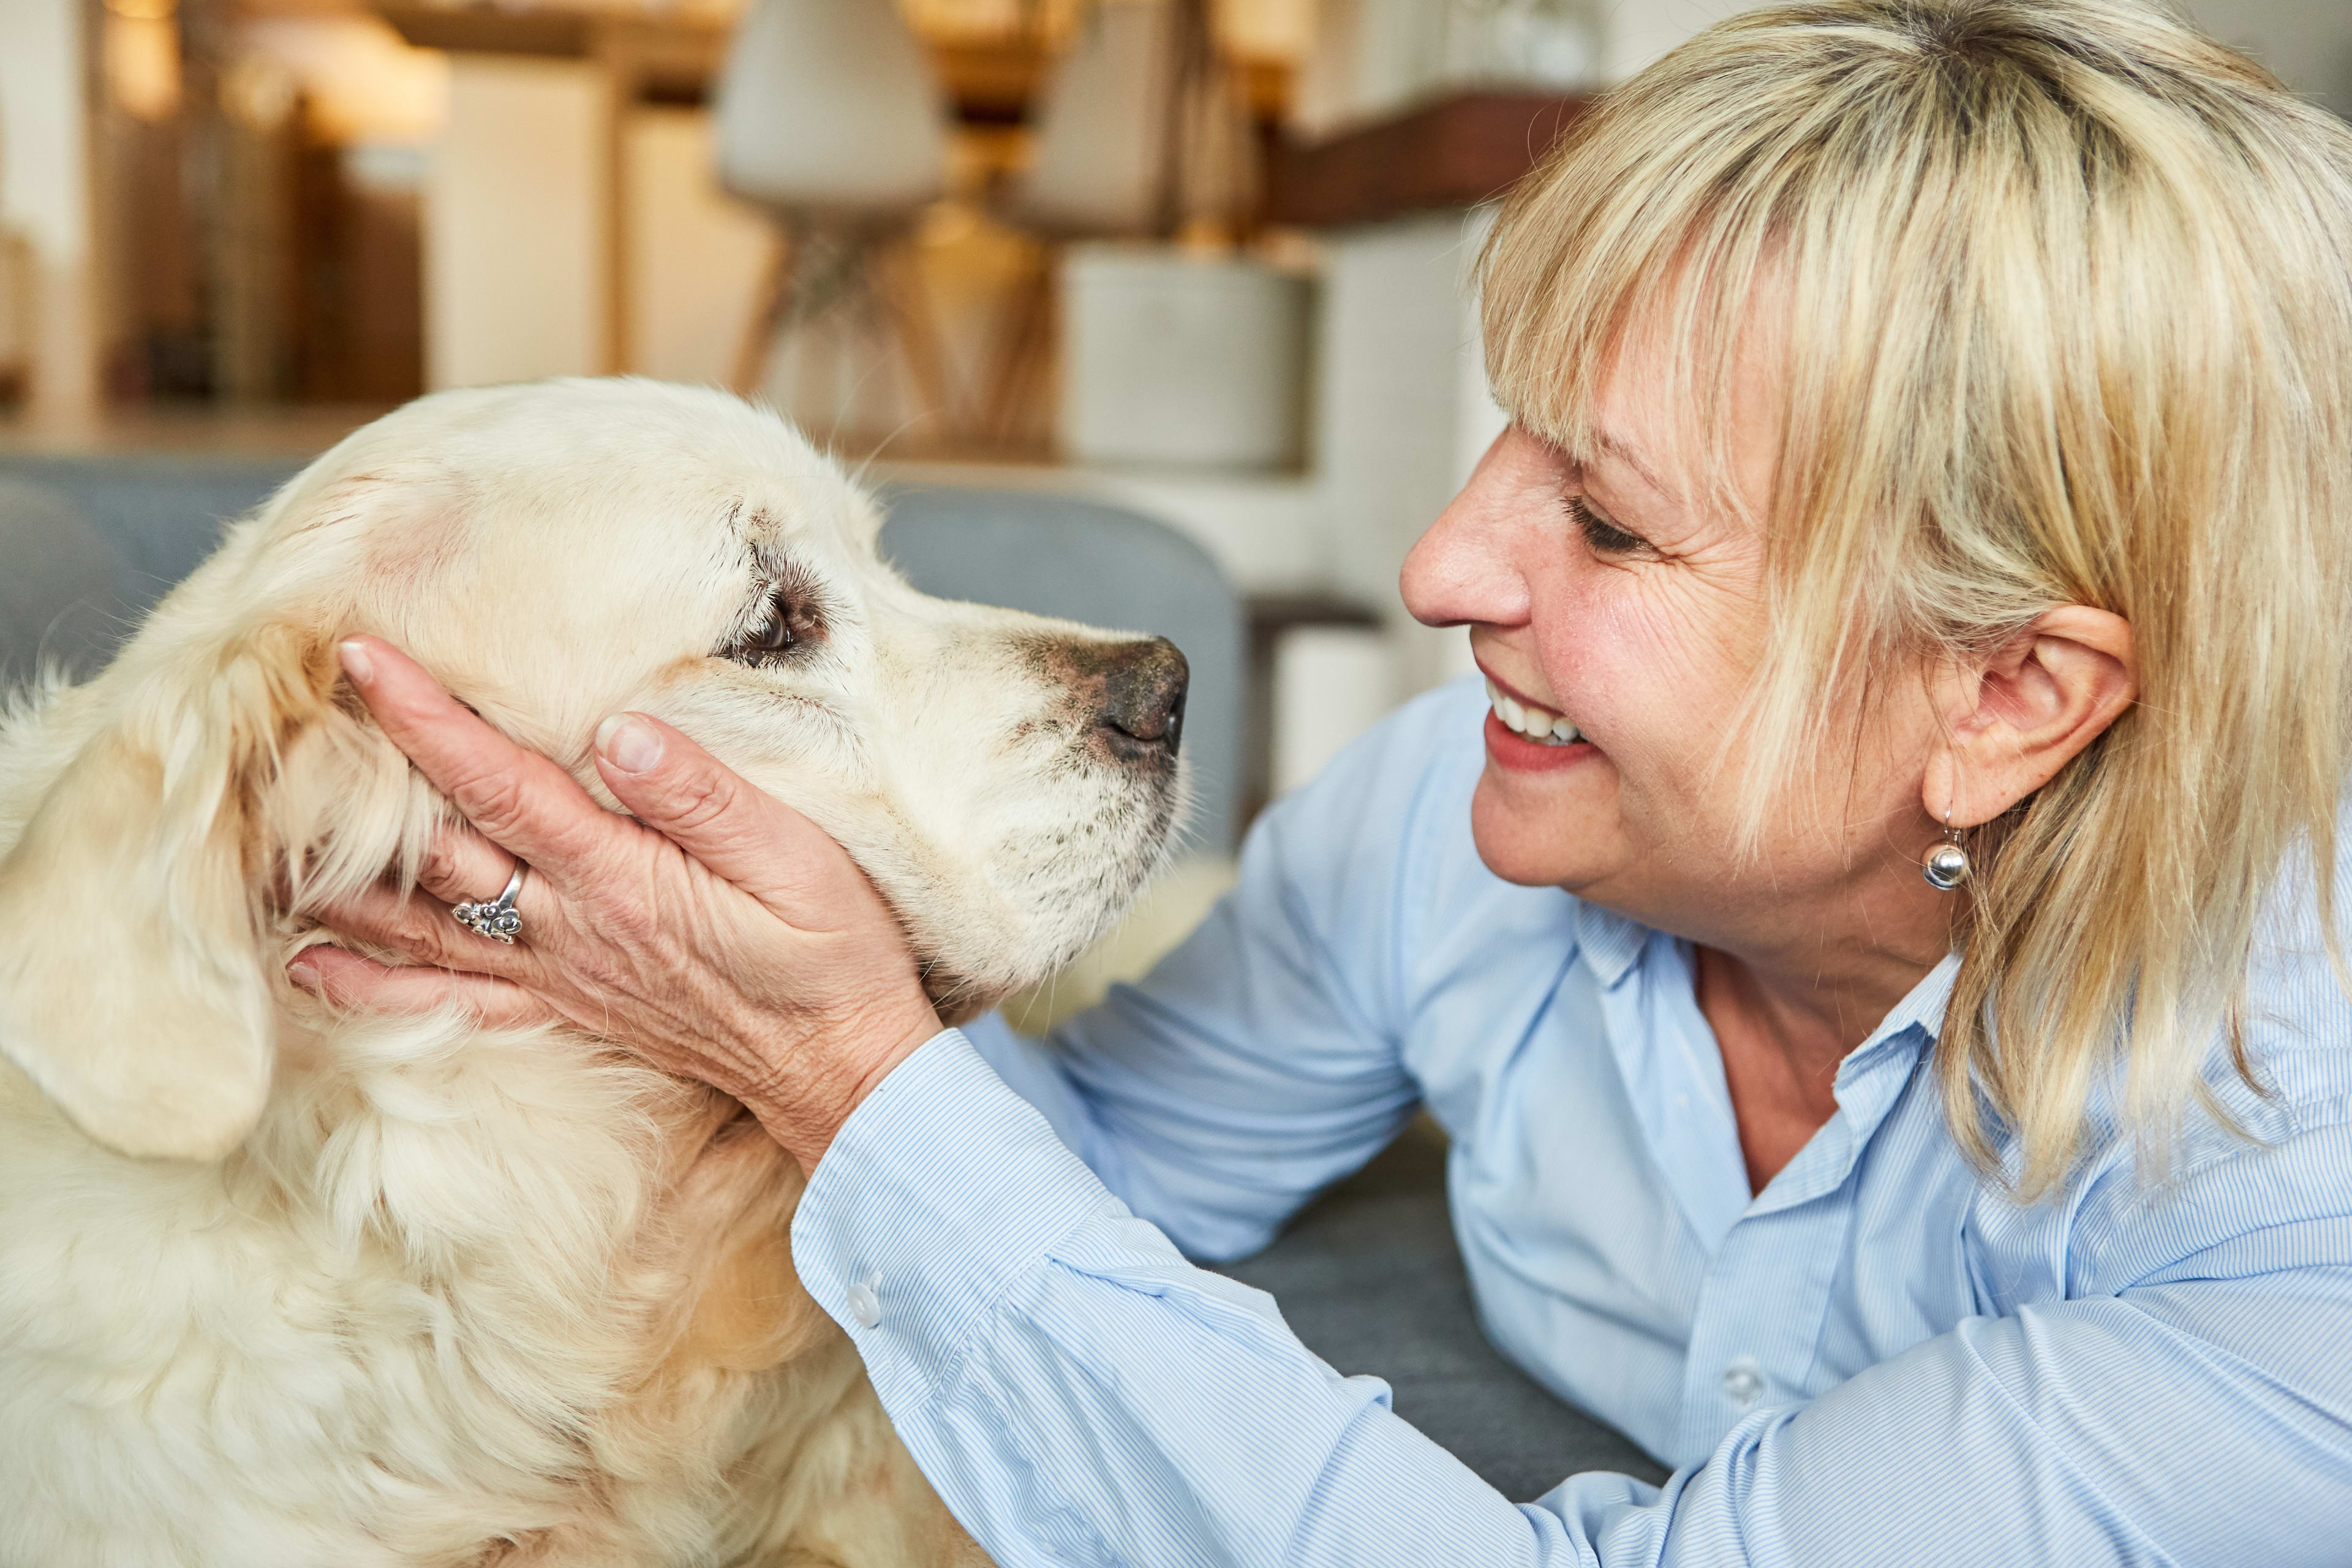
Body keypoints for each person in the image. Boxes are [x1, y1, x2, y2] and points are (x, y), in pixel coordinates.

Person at [292, 1, 2352, 1561]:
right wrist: (702, 936)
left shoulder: (2293, 1207)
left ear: (2006, 694)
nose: (1441, 569)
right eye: (1512, 444)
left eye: (1612, 530)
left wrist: (845, 1071)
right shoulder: (1448, 826)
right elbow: (1100, 1173)